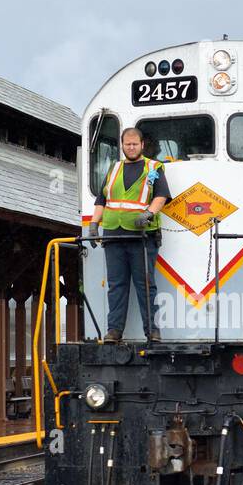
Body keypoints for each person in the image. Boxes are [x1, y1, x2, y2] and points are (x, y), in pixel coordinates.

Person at [88, 127, 170, 342]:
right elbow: (101, 199)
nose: (131, 147)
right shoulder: (114, 169)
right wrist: (94, 224)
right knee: (116, 286)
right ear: (122, 146)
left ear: (142, 145)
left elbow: (161, 196)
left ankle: (152, 331)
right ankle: (114, 331)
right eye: (127, 144)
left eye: (135, 144)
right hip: (113, 235)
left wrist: (149, 214)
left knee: (145, 285)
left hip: (142, 236)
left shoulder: (154, 167)